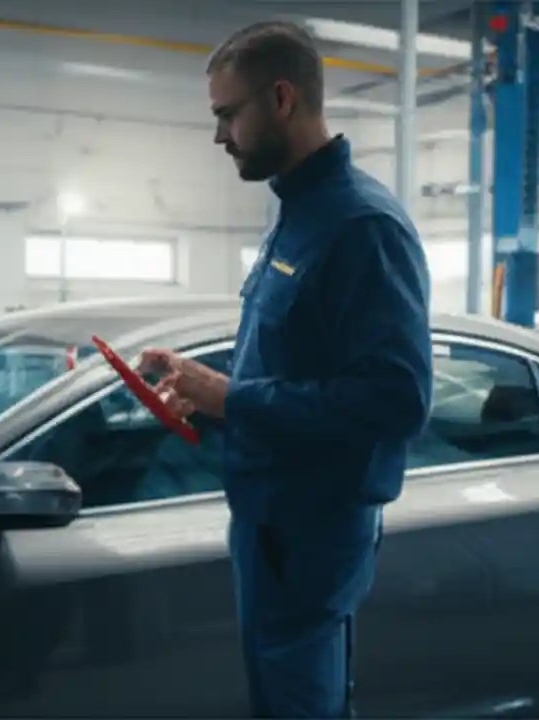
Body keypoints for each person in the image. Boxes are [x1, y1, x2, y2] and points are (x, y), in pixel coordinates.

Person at [137, 20, 433, 719]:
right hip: (271, 524)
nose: (220, 138)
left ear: (280, 98)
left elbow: (396, 400)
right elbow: (291, 355)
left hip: (311, 533)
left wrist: (235, 399)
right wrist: (200, 382)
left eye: (226, 115)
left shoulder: (362, 226)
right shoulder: (299, 213)